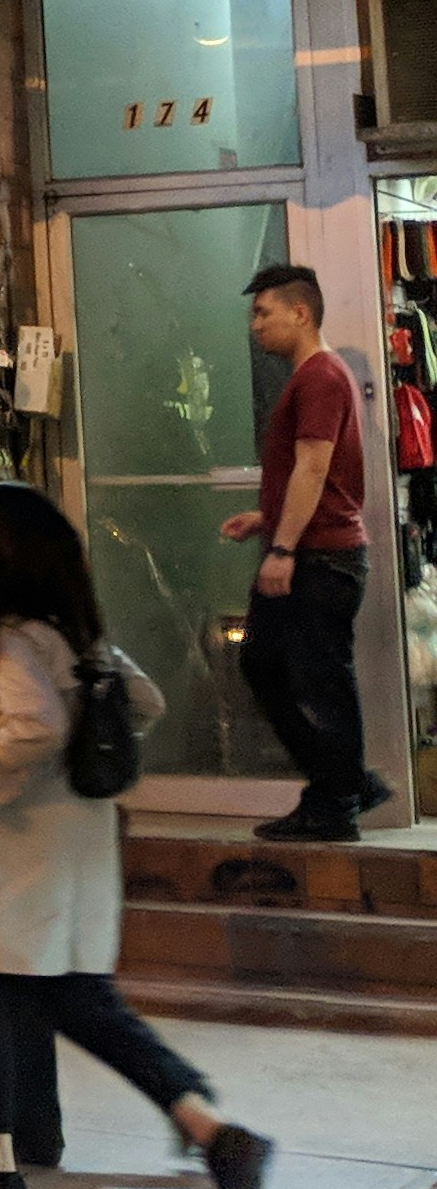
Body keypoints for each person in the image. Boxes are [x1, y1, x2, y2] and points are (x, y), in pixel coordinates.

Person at [0, 481, 274, 1189]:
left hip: (12, 843)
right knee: (69, 995)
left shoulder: (5, 631)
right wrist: (79, 749)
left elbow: (35, 724)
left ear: (0, 544)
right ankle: (208, 1132)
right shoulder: (72, 627)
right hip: (77, 835)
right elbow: (141, 702)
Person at [224, 262, 384, 842]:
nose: (254, 326)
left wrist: (283, 548)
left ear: (301, 312)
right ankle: (344, 782)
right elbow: (317, 475)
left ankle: (335, 799)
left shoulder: (318, 376)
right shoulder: (315, 375)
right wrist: (266, 520)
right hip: (314, 550)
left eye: (263, 313)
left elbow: (315, 467)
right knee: (269, 664)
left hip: (319, 558)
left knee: (318, 681)